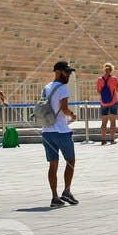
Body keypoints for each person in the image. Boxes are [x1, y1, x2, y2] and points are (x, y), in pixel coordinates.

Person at [41, 60, 79, 207]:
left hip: (47, 131)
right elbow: (64, 109)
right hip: (61, 131)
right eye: (66, 72)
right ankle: (67, 191)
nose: (68, 74)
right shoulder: (63, 88)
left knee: (53, 165)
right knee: (71, 161)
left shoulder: (46, 88)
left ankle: (54, 197)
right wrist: (72, 115)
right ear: (58, 71)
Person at [97, 64, 118, 145]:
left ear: (104, 69)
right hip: (113, 102)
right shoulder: (114, 79)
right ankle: (112, 140)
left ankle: (103, 140)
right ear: (111, 70)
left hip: (103, 103)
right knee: (113, 122)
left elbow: (98, 91)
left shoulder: (100, 79)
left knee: (104, 122)